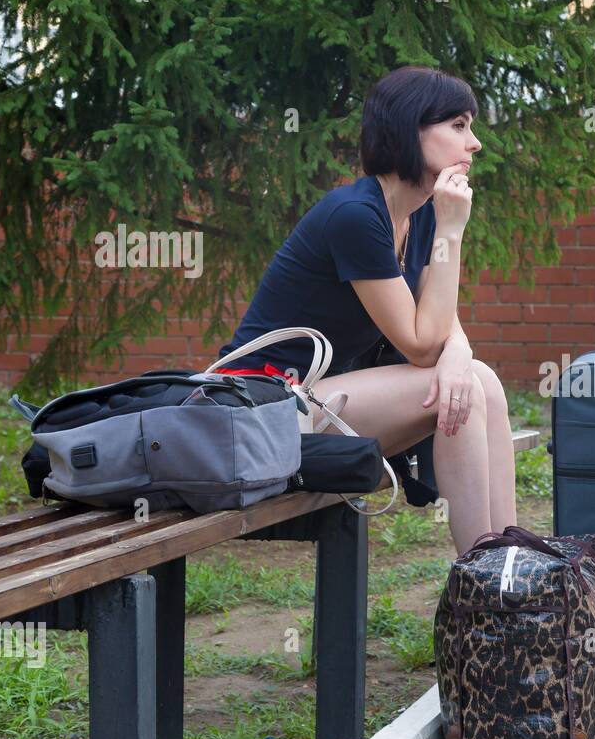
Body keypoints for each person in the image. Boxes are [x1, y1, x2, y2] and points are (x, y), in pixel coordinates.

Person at [214, 66, 515, 554]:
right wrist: (452, 231)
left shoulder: (417, 216)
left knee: (482, 382)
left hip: (317, 400)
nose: (474, 143)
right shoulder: (356, 216)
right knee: (457, 392)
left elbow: (441, 323)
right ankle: (483, 572)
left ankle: (513, 560)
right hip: (261, 410)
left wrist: (459, 357)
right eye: (459, 125)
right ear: (411, 129)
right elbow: (421, 347)